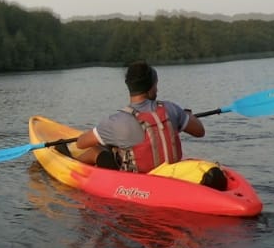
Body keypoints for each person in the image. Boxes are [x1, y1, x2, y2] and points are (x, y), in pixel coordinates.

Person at [62, 61, 227, 189]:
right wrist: (187, 115)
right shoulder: (171, 109)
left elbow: (81, 143)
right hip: (172, 175)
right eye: (156, 85)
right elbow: (200, 131)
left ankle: (71, 162)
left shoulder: (116, 121)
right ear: (150, 88)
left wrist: (107, 137)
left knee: (96, 150)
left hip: (139, 183)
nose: (157, 89)